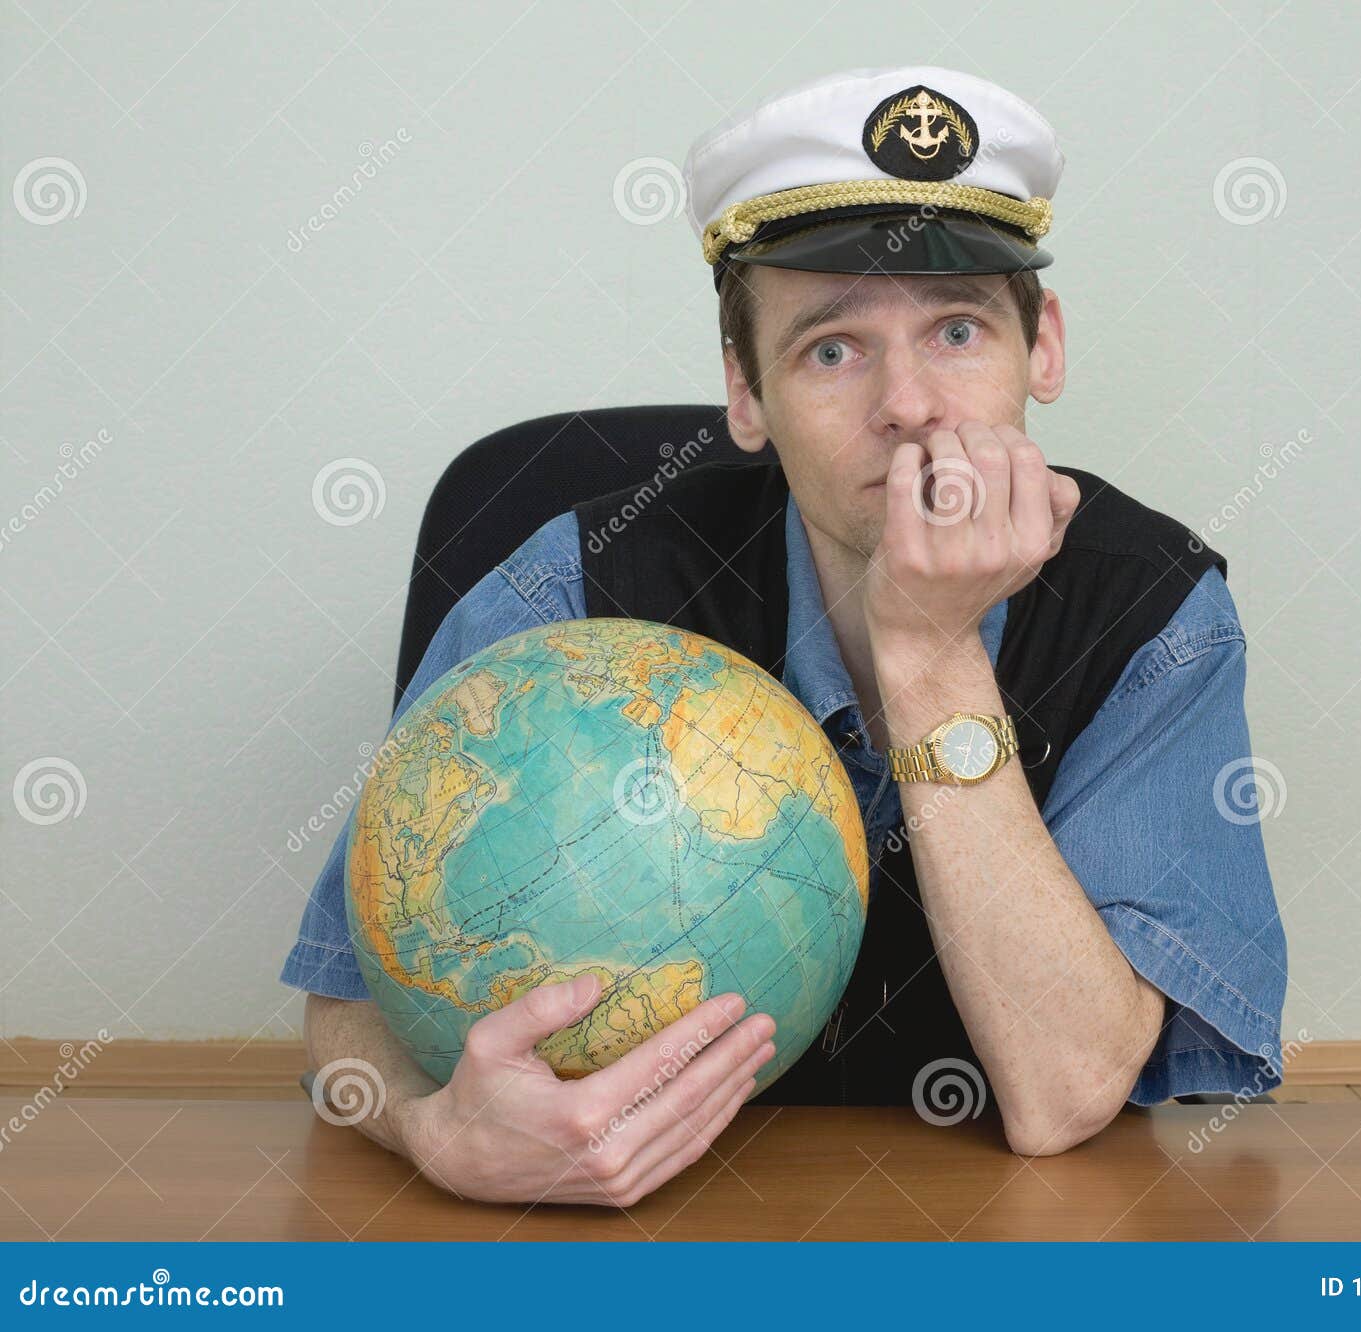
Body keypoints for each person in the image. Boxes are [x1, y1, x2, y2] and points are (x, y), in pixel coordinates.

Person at [280, 66, 1287, 1207]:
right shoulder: (573, 590)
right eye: (831, 349)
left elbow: (1064, 1095)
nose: (908, 404)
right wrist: (426, 1131)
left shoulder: (1153, 615)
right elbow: (344, 1005)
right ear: (744, 392)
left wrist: (927, 654)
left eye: (957, 330)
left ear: (1041, 349)